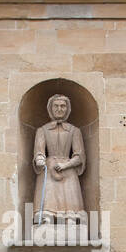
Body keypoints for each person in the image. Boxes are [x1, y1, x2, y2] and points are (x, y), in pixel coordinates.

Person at [32, 94, 86, 224]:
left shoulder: (74, 130)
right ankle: (47, 218)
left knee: (69, 200)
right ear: (50, 108)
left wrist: (65, 165)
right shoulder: (42, 130)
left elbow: (79, 155)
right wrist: (39, 159)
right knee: (49, 196)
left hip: (68, 168)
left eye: (63, 106)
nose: (59, 109)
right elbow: (39, 150)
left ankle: (70, 218)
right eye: (56, 106)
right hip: (49, 168)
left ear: (67, 109)